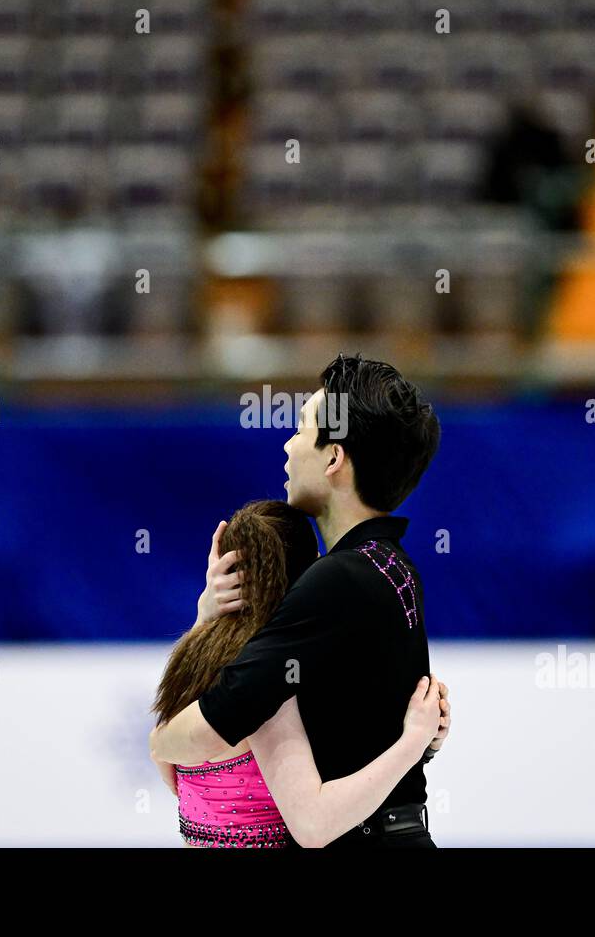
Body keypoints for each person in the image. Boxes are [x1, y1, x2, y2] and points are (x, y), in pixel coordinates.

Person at [150, 353, 446, 847]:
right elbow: (369, 721)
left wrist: (158, 744)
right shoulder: (393, 566)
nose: (287, 446)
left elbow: (218, 719)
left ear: (334, 458)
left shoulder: (337, 580)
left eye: (302, 431)